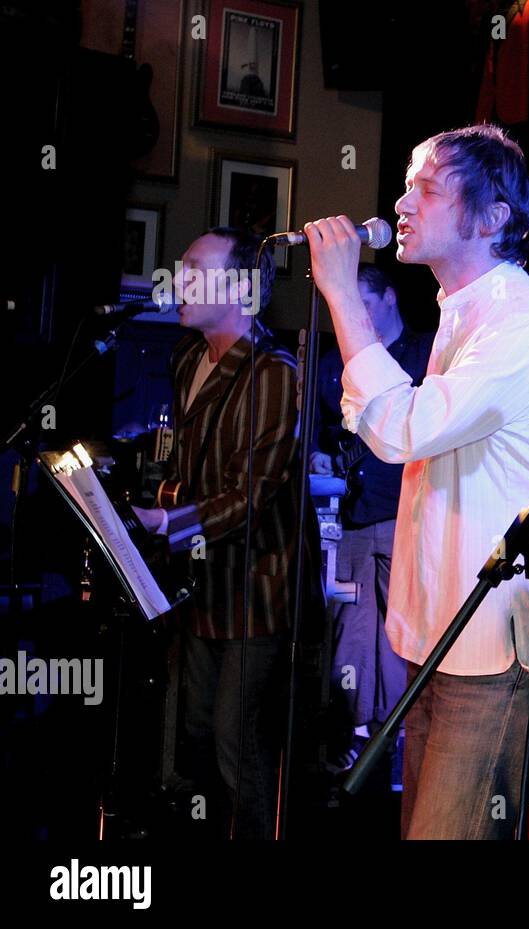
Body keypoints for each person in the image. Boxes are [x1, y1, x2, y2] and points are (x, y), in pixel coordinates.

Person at [303, 124, 529, 839]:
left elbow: (400, 429)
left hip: (495, 648)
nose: (399, 203)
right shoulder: (460, 318)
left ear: (492, 217)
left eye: (424, 187)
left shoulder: (522, 324)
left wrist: (342, 293)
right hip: (439, 640)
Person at [131, 227, 300, 839]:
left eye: (196, 269)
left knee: (238, 746)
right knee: (191, 738)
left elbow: (252, 495)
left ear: (242, 288)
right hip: (198, 586)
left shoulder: (274, 373)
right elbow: (186, 468)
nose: (180, 281)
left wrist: (169, 521)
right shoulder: (185, 360)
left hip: (255, 591)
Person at [311, 263, 434, 768]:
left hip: (407, 517)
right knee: (350, 634)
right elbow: (321, 438)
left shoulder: (426, 353)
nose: (353, 315)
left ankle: (391, 739)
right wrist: (321, 458)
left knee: (397, 635)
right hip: (349, 519)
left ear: (389, 300)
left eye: (362, 303)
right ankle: (358, 737)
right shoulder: (332, 363)